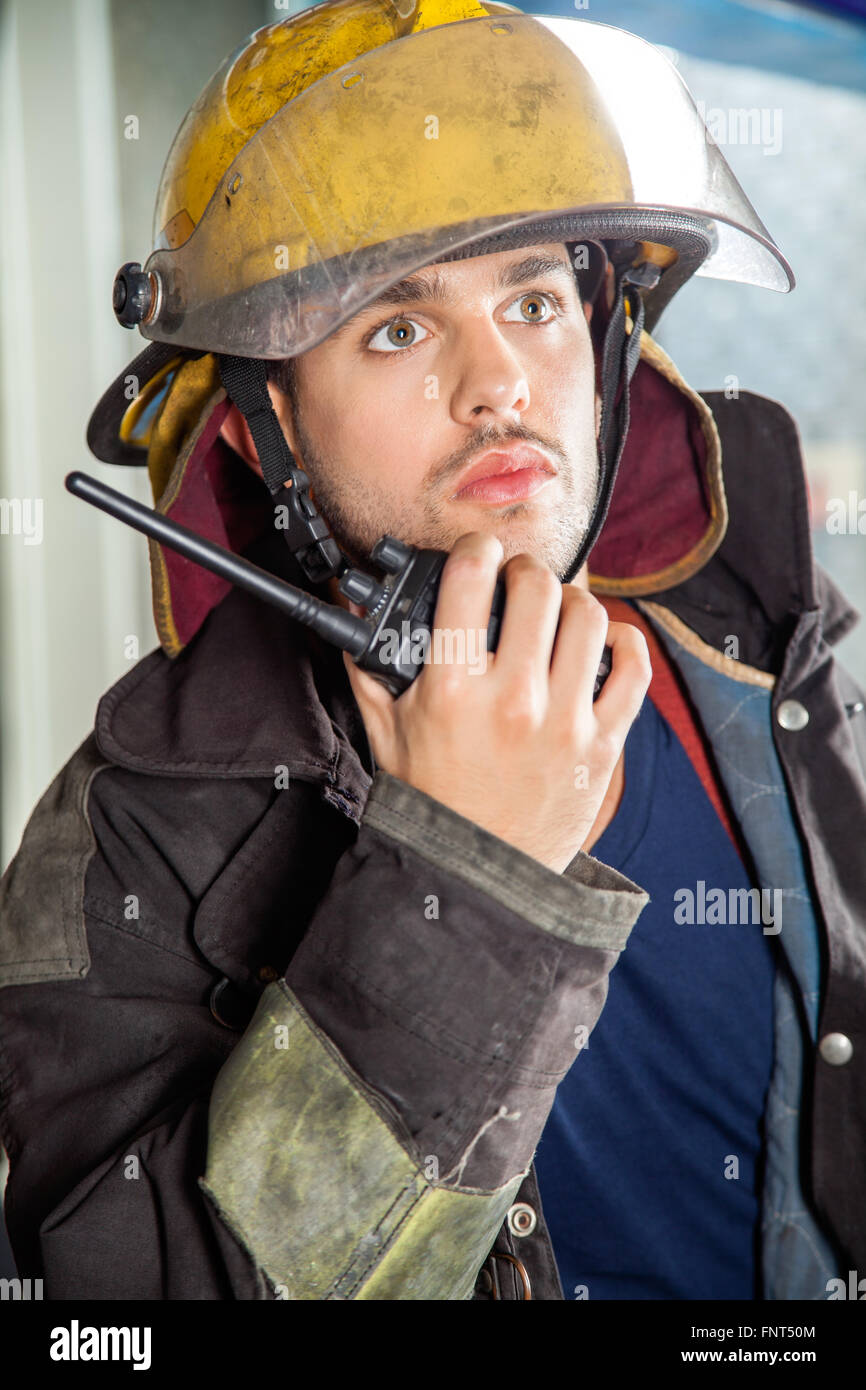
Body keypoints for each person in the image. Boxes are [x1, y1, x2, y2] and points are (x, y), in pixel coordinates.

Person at [1, 0, 864, 1302]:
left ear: (610, 350)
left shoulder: (768, 653)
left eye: (533, 299)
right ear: (259, 436)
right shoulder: (135, 825)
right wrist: (466, 881)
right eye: (397, 328)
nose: (497, 382)